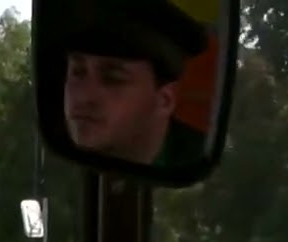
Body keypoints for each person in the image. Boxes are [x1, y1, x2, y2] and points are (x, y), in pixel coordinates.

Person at [61, 0, 209, 166]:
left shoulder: (198, 160)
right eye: (78, 71)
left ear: (165, 100)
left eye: (113, 78)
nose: (82, 96)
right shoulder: (59, 147)